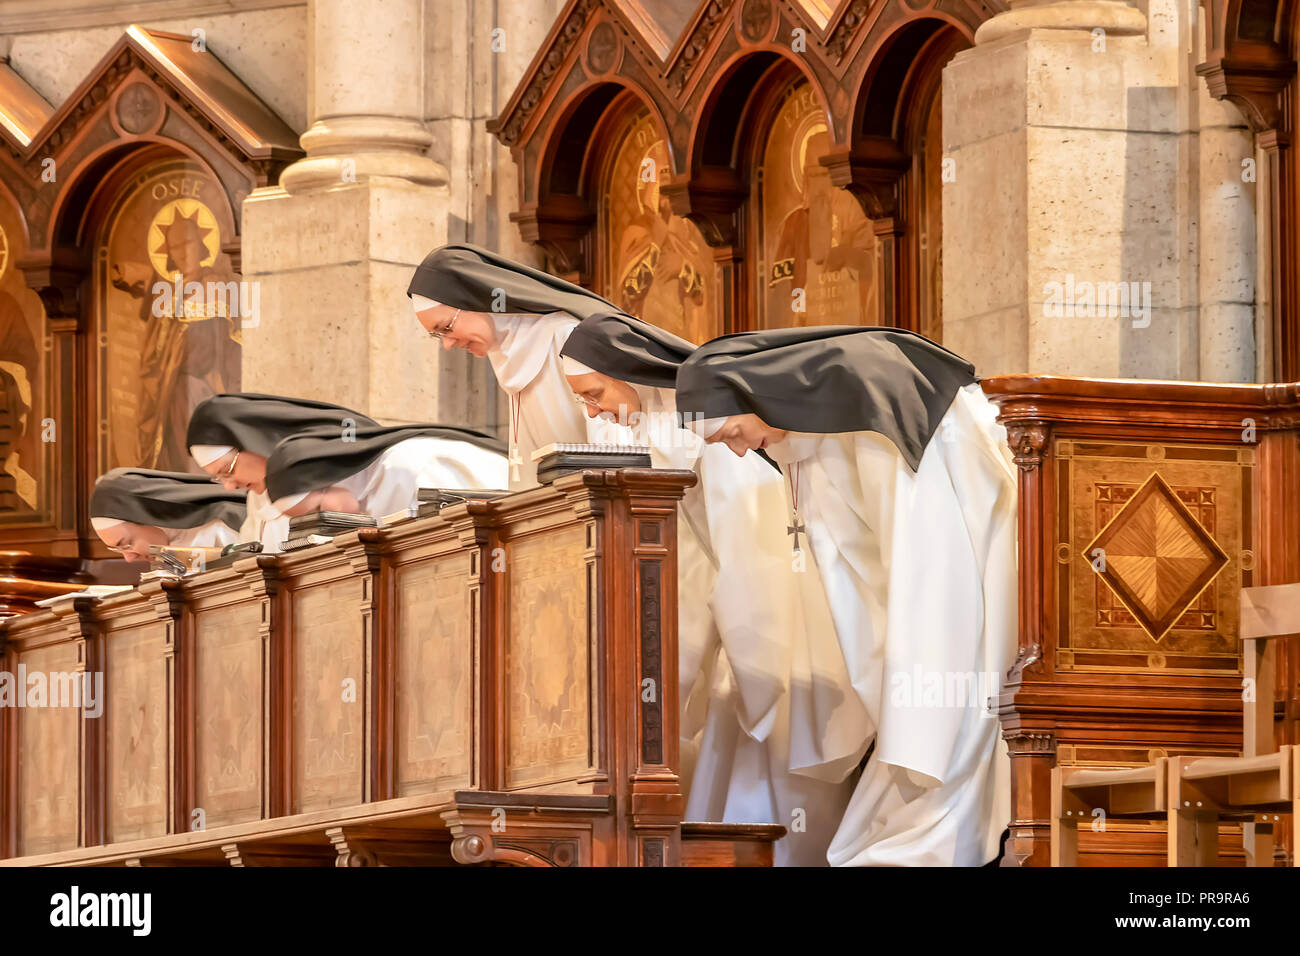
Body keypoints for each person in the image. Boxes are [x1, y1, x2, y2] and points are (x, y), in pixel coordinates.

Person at [675, 325, 1018, 866]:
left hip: (948, 612)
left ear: (752, 393)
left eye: (732, 433)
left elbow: (926, 566)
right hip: (914, 621)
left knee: (951, 725)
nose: (739, 452)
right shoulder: (807, 439)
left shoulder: (878, 411)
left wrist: (911, 678)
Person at [560, 312, 863, 866]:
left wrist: (715, 662)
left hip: (768, 635)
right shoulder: (660, 432)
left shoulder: (715, 437)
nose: (592, 410)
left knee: (768, 751)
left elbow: (747, 560)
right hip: (724, 628)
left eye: (594, 393)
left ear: (630, 374)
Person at [405, 243, 629, 489]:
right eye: (437, 335)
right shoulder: (507, 352)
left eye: (446, 327)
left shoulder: (567, 335)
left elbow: (615, 447)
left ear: (477, 298)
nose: (447, 344)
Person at [185, 393, 377, 552]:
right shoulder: (256, 500)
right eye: (219, 479)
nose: (230, 486)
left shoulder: (348, 472)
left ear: (253, 443)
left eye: (228, 471)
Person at [264, 422, 508, 518]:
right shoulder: (362, 494)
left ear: (330, 480)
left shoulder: (404, 467)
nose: (322, 522)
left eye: (318, 509)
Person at [90, 467, 245, 561]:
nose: (129, 558)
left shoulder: (222, 529)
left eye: (127, 545)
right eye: (119, 550)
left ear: (148, 516)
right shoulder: (166, 552)